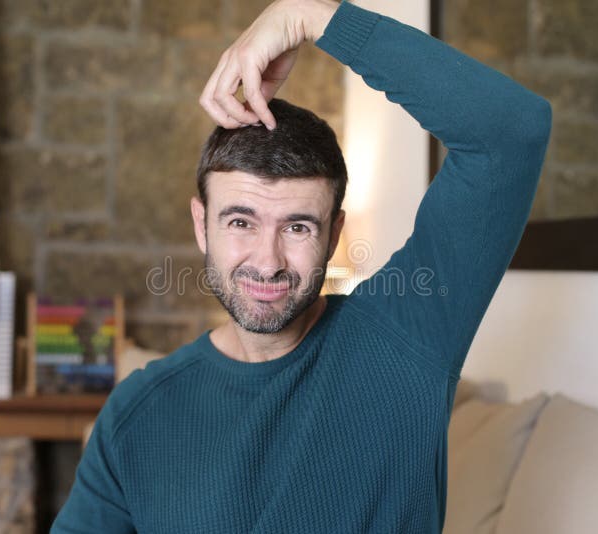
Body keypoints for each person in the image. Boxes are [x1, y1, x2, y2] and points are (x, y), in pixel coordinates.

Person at [51, 0, 551, 532]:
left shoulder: (406, 337)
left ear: (334, 235)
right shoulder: (137, 414)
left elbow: (511, 133)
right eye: (241, 223)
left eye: (297, 227)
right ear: (202, 226)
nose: (267, 263)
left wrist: (309, 16)